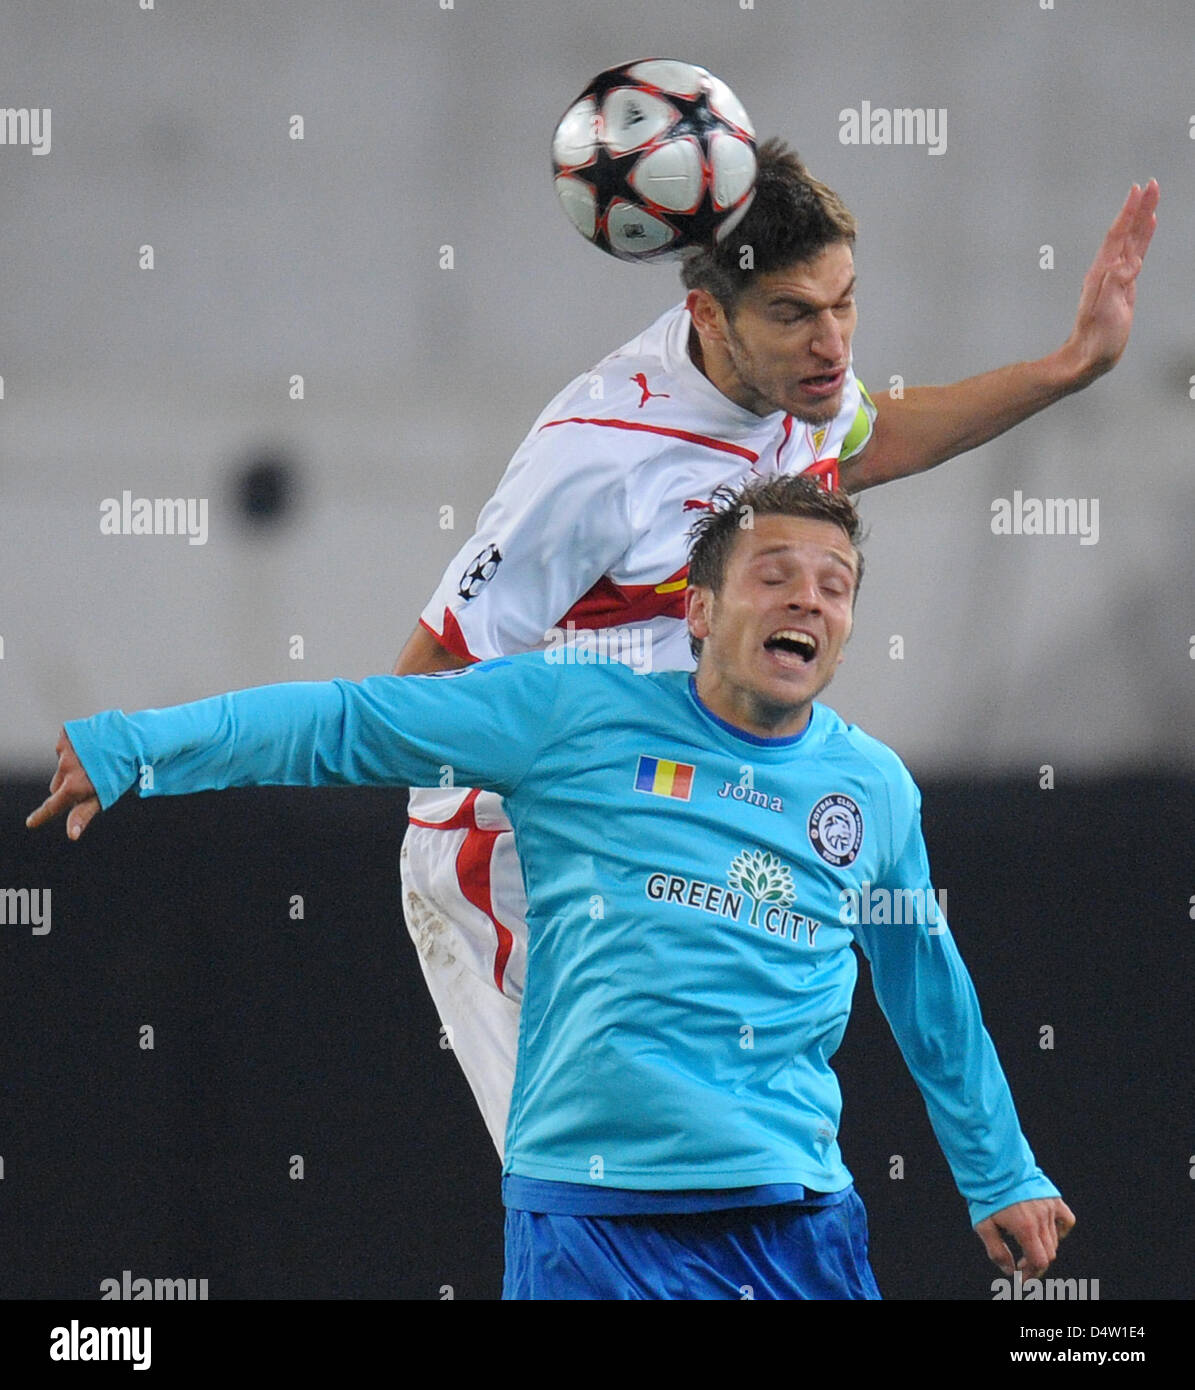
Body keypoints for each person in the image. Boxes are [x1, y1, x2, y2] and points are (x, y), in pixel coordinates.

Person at [29, 475, 1074, 1301]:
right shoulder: (570, 716)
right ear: (699, 611)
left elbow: (929, 993)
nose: (809, 596)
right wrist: (142, 744)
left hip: (791, 1217)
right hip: (591, 1217)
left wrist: (1002, 1171)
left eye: (834, 584)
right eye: (775, 574)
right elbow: (351, 721)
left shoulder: (872, 789)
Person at [394, 139, 1159, 1153]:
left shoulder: (795, 385)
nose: (831, 342)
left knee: (724, 1176)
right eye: (795, 314)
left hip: (674, 826)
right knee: (608, 1187)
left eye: (844, 302)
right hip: (526, 864)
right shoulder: (594, 462)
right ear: (710, 316)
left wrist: (1068, 368)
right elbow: (419, 693)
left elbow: (868, 436)